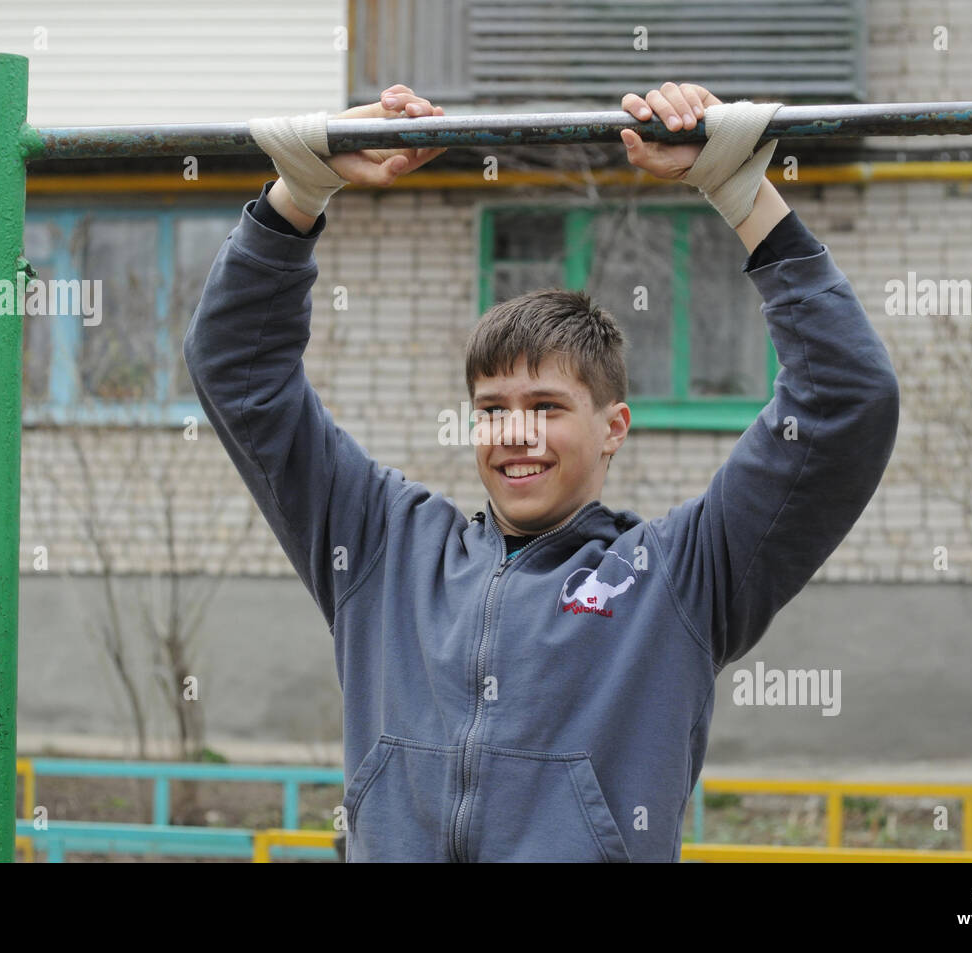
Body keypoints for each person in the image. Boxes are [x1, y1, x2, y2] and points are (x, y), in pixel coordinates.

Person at [183, 82, 899, 862]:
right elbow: (238, 372)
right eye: (491, 409)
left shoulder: (678, 579)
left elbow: (845, 401)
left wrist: (741, 192)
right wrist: (302, 186)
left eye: (547, 405)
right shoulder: (385, 548)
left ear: (613, 426)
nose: (515, 433)